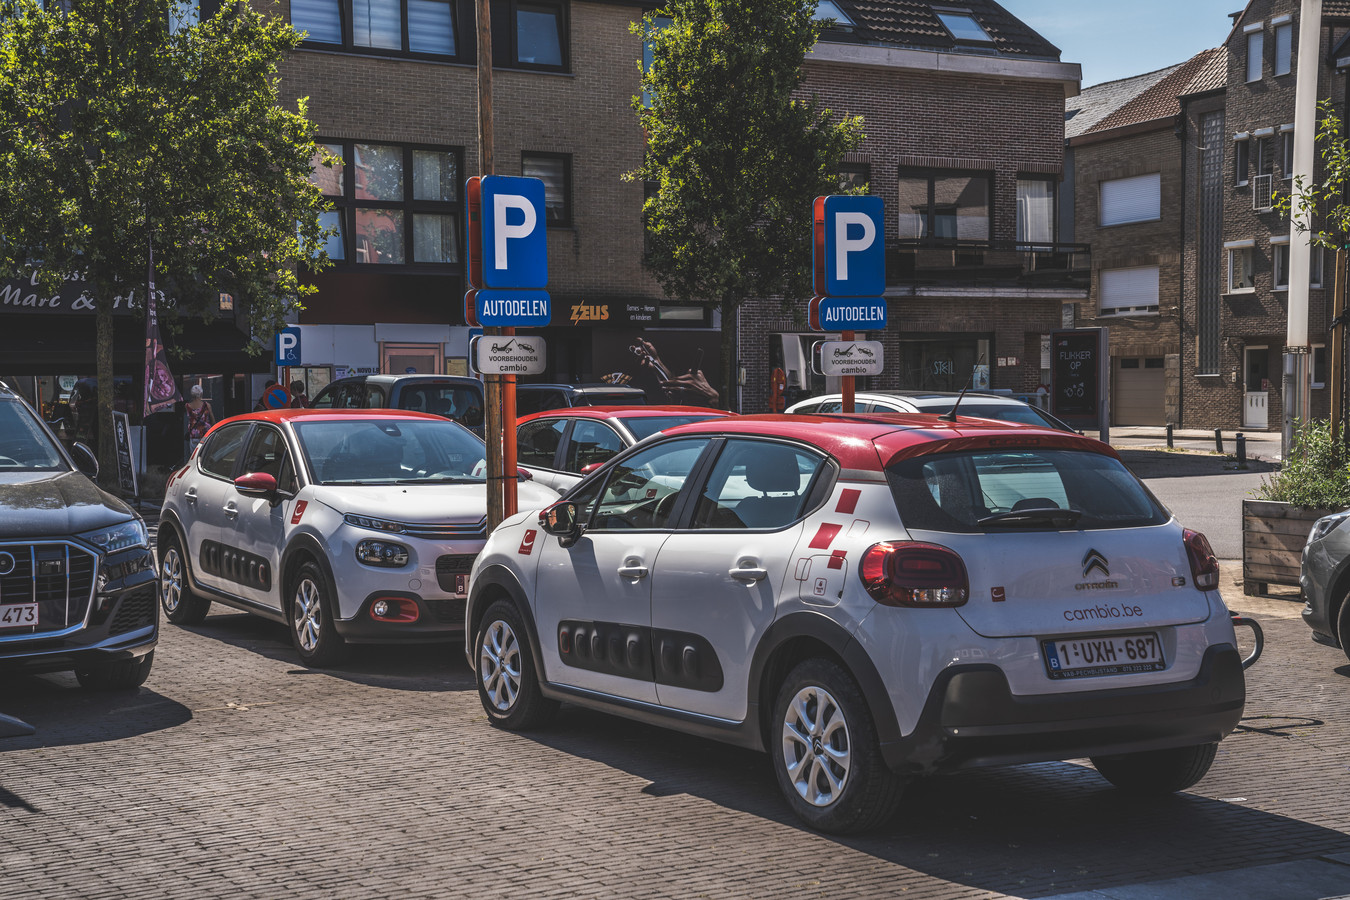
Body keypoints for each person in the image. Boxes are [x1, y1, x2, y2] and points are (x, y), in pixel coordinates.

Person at [185, 384, 214, 456]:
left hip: (194, 435)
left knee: (194, 455)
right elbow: (213, 420)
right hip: (206, 434)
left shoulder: (187, 406)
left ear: (192, 394)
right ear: (201, 393)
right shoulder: (207, 405)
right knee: (205, 455)